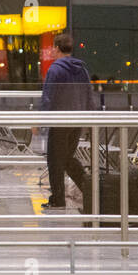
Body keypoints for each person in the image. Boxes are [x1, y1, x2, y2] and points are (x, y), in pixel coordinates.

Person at [40, 34, 98, 214]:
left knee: (55, 161)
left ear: (57, 48)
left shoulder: (55, 70)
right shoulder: (82, 70)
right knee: (65, 159)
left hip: (60, 121)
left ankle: (59, 200)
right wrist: (91, 117)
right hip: (77, 121)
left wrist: (40, 121)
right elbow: (88, 95)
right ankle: (91, 192)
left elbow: (48, 97)